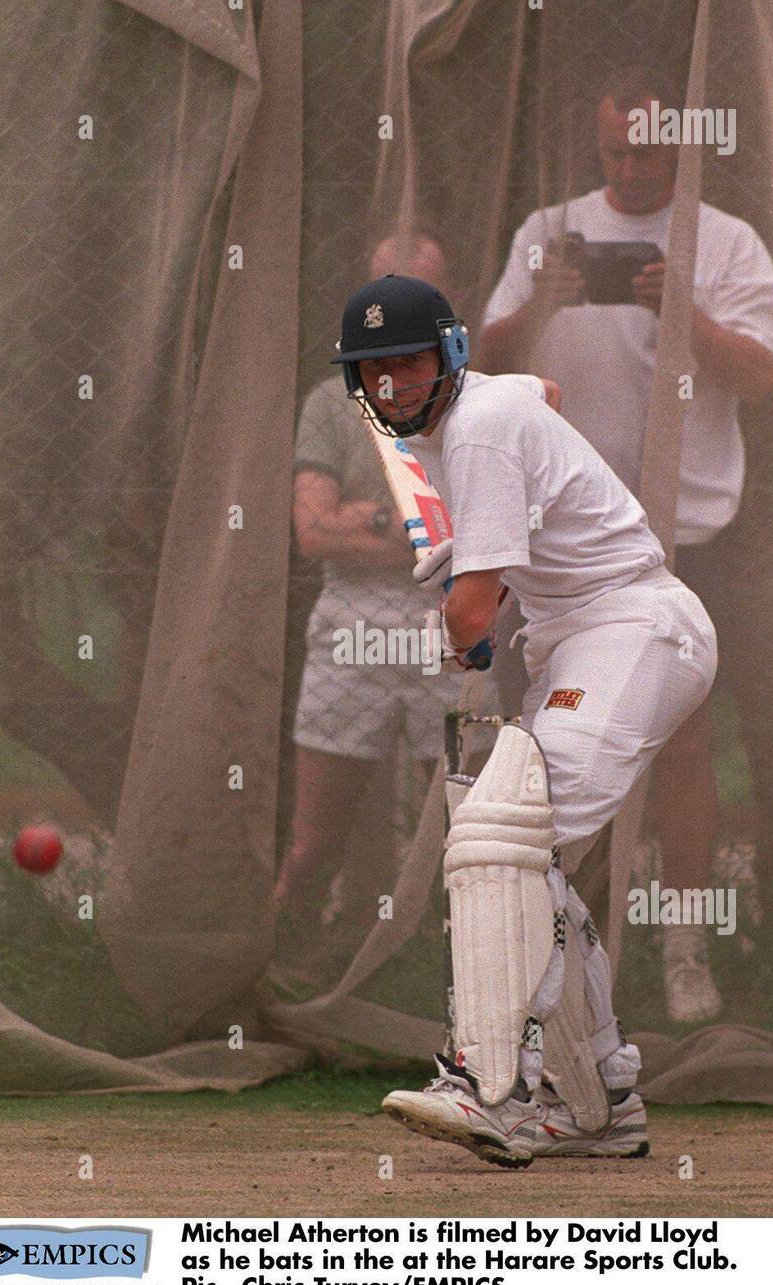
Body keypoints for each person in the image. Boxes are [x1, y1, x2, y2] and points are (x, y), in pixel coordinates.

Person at [332, 273, 717, 1164]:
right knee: (522, 862)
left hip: (633, 625)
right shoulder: (487, 407)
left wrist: (457, 635)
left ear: (452, 355)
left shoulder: (480, 429)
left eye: (409, 362)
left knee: (503, 838)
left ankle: (485, 1085)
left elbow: (473, 615)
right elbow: (542, 390)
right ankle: (598, 1106)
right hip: (578, 641)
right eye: (373, 372)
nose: (391, 385)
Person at [478, 63, 773, 1023]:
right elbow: (483, 361)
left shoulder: (726, 242)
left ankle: (684, 950)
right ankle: (555, 953)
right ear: (596, 143)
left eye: (650, 151)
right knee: (549, 740)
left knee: (680, 742)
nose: (633, 167)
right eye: (616, 151)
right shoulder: (546, 231)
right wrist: (548, 302)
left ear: (683, 143)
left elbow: (760, 375)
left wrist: (675, 309)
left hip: (684, 530)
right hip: (560, 546)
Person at [272, 234, 468, 989]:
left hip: (450, 620)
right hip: (349, 623)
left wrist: (379, 522)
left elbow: (474, 539)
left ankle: (452, 993)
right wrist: (412, 523)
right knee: (313, 843)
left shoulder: (474, 401)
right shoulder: (328, 402)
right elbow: (313, 530)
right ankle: (278, 983)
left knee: (466, 834)